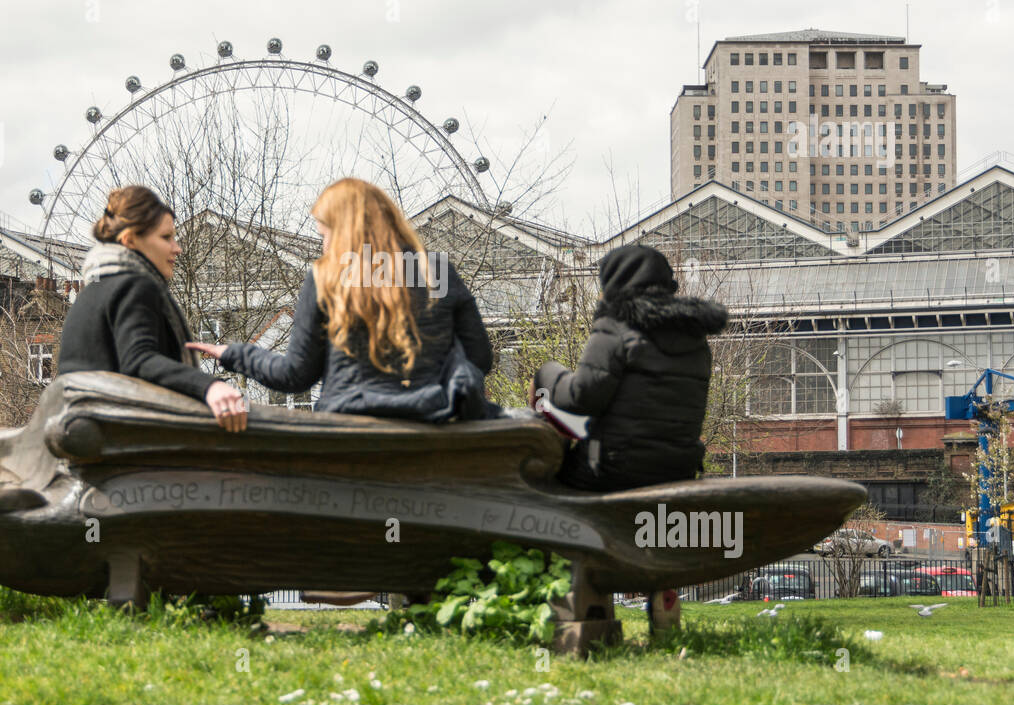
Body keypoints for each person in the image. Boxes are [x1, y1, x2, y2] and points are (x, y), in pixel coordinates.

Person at [186, 177, 496, 423]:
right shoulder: (437, 271)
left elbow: (295, 375)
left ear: (345, 231)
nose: (324, 245)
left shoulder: (328, 276)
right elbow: (480, 358)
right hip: (432, 425)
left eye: (325, 234)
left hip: (350, 431)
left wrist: (233, 354)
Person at [530, 244, 728, 490]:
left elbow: (582, 397)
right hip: (679, 469)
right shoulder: (696, 339)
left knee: (536, 482)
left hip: (613, 470)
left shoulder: (615, 327)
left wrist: (546, 374)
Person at [58, 184, 249, 432]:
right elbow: (139, 360)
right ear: (130, 240)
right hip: (130, 444)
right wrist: (209, 386)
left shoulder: (92, 291)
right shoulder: (135, 286)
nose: (177, 247)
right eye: (166, 237)